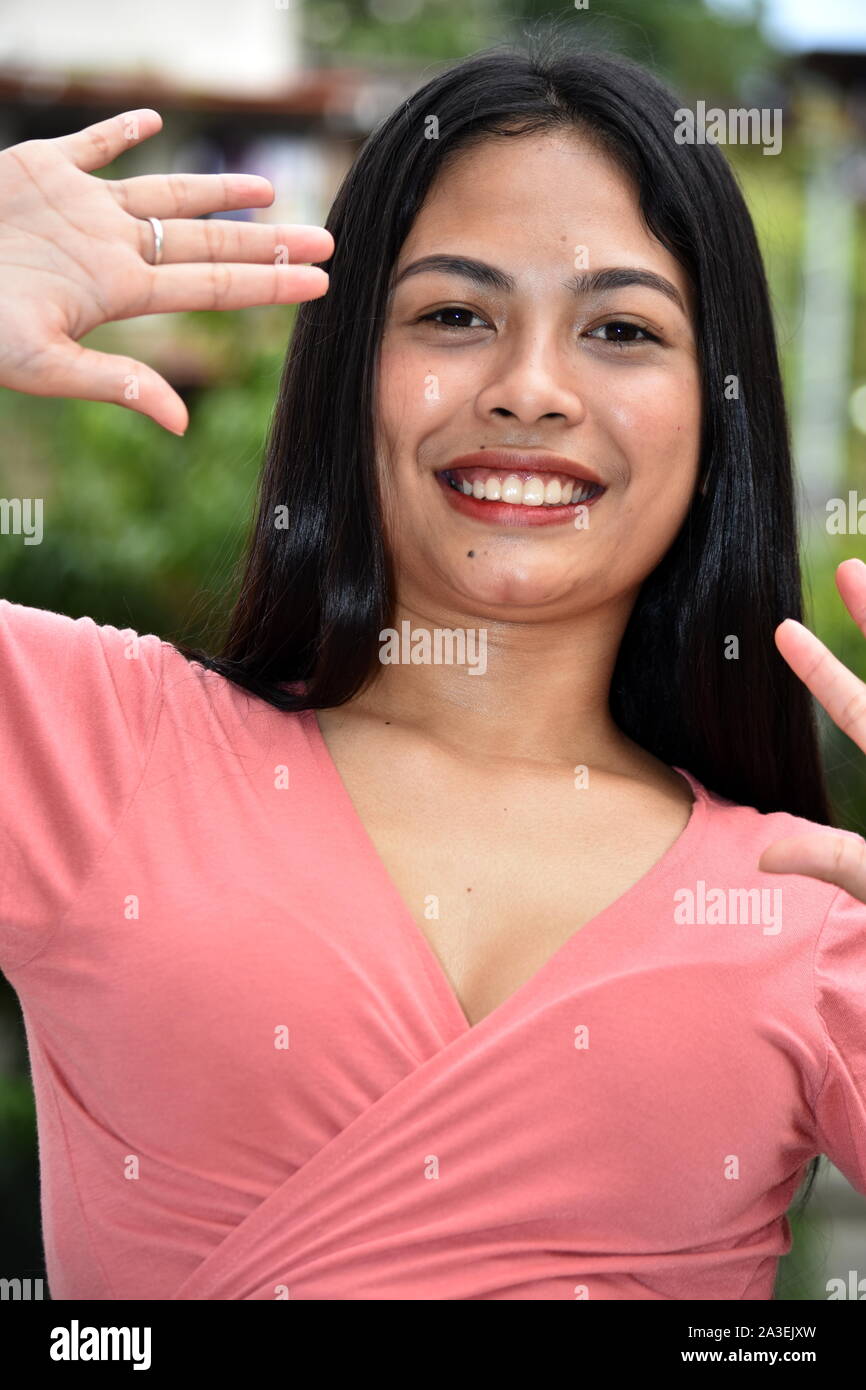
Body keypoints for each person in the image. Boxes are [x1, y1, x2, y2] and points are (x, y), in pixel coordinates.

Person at [0, 38, 864, 1302]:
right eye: (455, 315)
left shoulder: (809, 909)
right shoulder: (84, 740)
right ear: (352, 370)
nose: (527, 389)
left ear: (715, 408)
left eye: (620, 329)